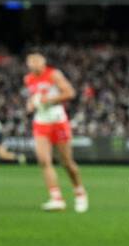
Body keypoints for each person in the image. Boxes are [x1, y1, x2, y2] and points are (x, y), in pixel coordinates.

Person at [23, 53, 87, 212]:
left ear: (43, 62)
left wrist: (48, 100)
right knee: (44, 160)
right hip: (41, 122)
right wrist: (30, 104)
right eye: (30, 62)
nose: (33, 64)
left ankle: (79, 192)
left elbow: (70, 93)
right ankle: (56, 198)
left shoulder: (53, 74)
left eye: (36, 61)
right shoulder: (28, 79)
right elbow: (33, 98)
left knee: (67, 163)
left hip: (58, 121)